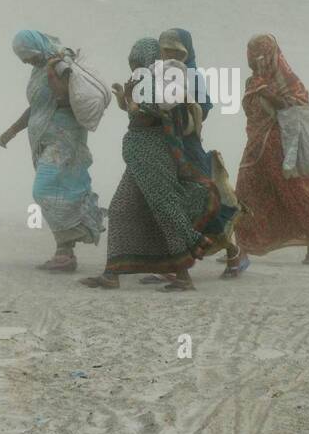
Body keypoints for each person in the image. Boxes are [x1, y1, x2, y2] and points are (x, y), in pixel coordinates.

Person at [80, 38, 226, 291]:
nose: (133, 63)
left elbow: (149, 115)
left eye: (136, 59)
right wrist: (124, 100)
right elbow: (140, 112)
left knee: (164, 207)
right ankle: (112, 273)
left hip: (151, 155)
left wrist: (132, 103)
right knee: (122, 208)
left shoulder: (156, 81)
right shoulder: (145, 79)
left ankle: (185, 270)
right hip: (140, 157)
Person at [140, 28, 248, 281]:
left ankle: (234, 252)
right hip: (164, 149)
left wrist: (181, 105)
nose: (169, 55)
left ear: (187, 52)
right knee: (168, 206)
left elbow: (201, 112)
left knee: (201, 206)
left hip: (187, 150)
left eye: (176, 51)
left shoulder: (193, 77)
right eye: (165, 49)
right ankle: (173, 265)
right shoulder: (156, 75)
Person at [234, 33, 309, 263]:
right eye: (250, 54)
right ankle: (240, 248)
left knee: (291, 194)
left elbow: (297, 105)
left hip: (279, 148)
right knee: (246, 193)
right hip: (256, 146)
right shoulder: (252, 81)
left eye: (257, 55)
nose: (252, 60)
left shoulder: (285, 80)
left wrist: (270, 95)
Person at [0, 30, 103, 271]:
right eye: (22, 58)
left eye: (27, 56)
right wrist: (12, 130)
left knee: (45, 190)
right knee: (58, 191)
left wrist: (50, 71)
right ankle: (64, 254)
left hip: (65, 140)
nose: (25, 61)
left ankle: (69, 243)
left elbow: (65, 97)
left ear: (37, 48)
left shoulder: (60, 63)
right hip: (49, 142)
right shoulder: (41, 67)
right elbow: (38, 107)